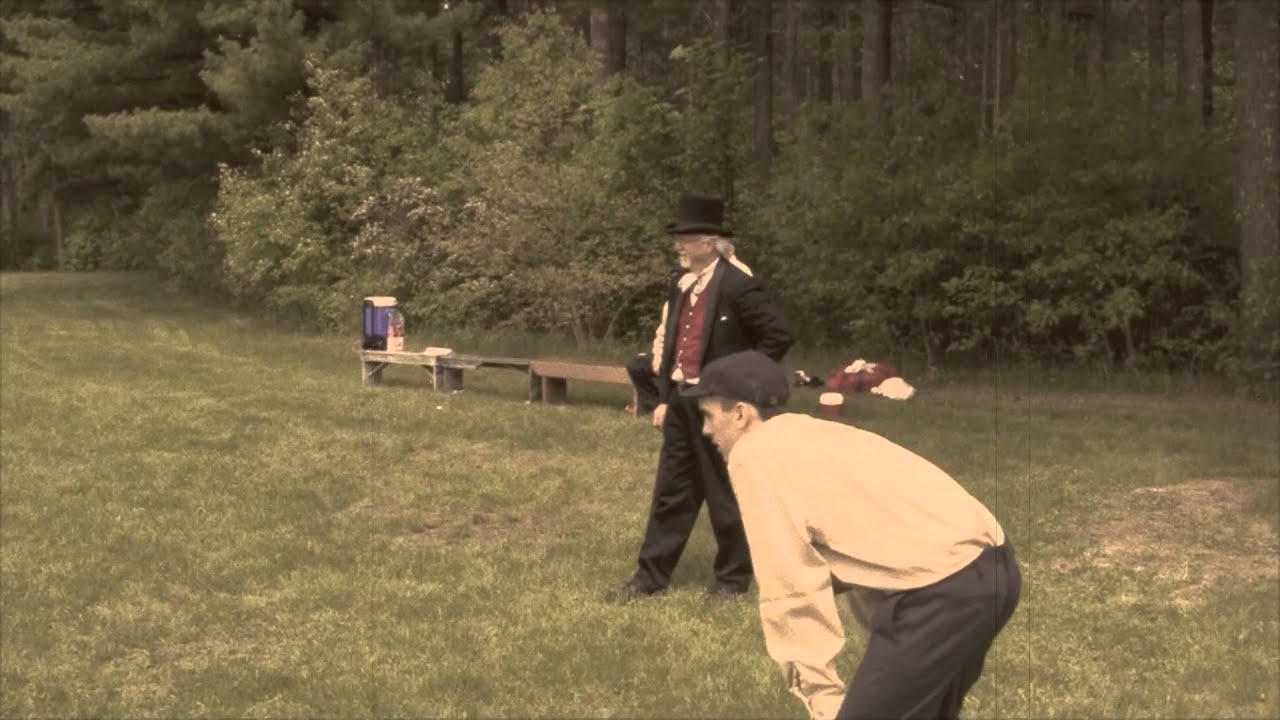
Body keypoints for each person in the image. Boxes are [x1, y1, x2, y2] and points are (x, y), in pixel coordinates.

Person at [682, 350, 1022, 720]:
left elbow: (791, 587)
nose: (705, 431)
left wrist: (822, 697)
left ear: (741, 413)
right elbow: (865, 547)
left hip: (944, 590)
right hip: (993, 570)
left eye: (709, 416)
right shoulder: (812, 434)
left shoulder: (755, 454)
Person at [613, 194, 793, 602]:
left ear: (708, 243)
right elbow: (675, 343)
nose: (679, 245)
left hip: (721, 406)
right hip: (682, 401)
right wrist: (663, 397)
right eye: (679, 237)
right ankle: (650, 578)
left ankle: (732, 580)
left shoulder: (738, 286)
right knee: (671, 491)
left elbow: (779, 334)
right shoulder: (681, 286)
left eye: (686, 238)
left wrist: (744, 382)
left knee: (724, 492)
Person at [625, 239, 754, 417]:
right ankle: (655, 407)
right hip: (677, 362)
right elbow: (665, 333)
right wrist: (659, 357)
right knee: (638, 365)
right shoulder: (682, 292)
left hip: (709, 366)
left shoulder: (736, 281)